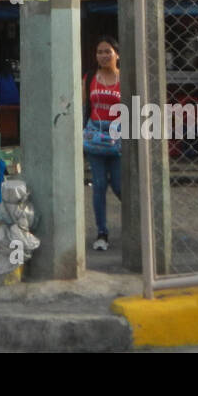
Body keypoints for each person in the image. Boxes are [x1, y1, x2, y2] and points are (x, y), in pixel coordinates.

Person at [82, 37, 123, 252]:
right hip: (95, 138)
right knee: (98, 185)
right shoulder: (89, 77)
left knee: (119, 185)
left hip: (118, 140)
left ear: (117, 54)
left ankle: (138, 225)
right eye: (100, 52)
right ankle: (102, 232)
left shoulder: (124, 79)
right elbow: (83, 107)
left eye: (108, 51)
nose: (103, 56)